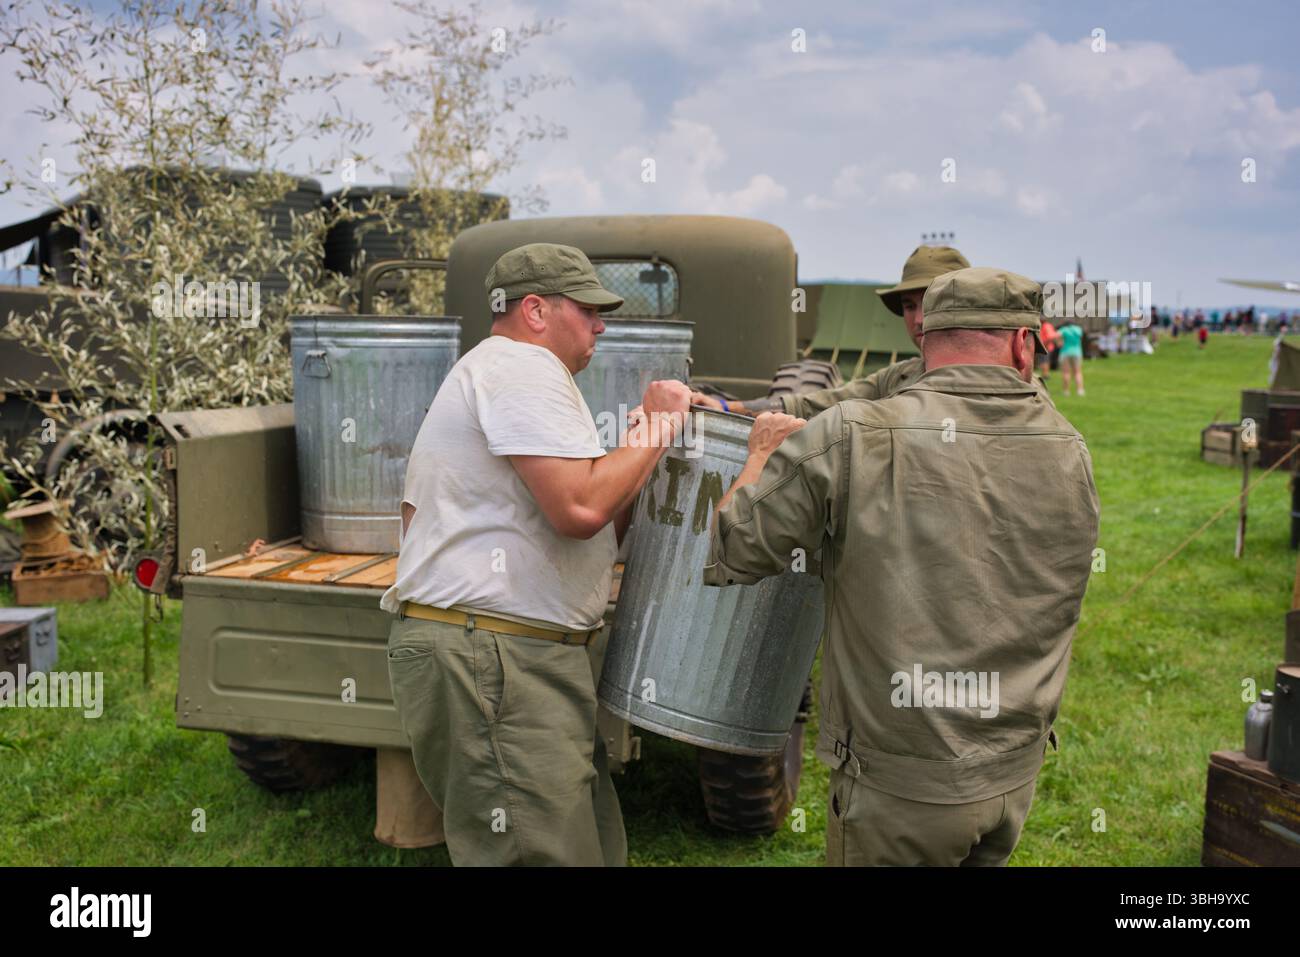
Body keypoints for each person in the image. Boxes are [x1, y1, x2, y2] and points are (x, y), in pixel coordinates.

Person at [703, 267, 1100, 866]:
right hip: (1013, 772)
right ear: (1023, 343)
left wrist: (761, 455)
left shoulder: (851, 437)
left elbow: (737, 549)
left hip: (899, 786)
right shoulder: (1070, 446)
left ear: (926, 338)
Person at [380, 242, 692, 866]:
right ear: (535, 310)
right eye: (588, 310)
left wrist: (636, 450)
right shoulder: (521, 369)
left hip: (509, 655)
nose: (601, 325)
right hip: (496, 659)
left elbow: (592, 519)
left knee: (582, 845)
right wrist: (660, 426)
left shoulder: (499, 373)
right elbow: (577, 510)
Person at [689, 245, 970, 417]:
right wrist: (728, 408)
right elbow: (818, 403)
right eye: (909, 306)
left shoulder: (1004, 380)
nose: (919, 319)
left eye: (930, 302)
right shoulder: (899, 377)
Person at [1058, 319, 1085, 396]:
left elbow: (1058, 339)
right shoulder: (1078, 329)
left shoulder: (1063, 330)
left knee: (1066, 372)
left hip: (1065, 352)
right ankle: (1080, 390)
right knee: (1078, 372)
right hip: (1077, 352)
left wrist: (1059, 342)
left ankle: (1066, 391)